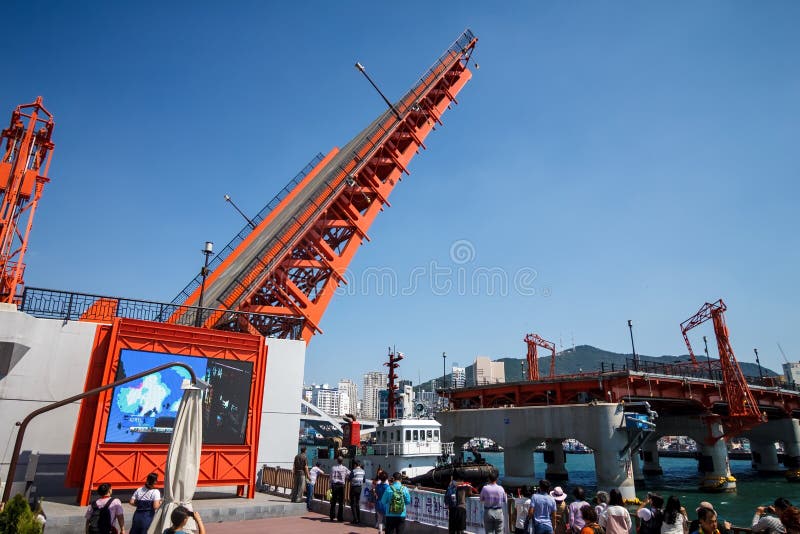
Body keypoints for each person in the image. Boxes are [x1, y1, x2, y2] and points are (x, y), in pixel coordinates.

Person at [329, 456, 350, 522]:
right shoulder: (344, 468)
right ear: (342, 461)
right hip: (341, 485)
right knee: (341, 502)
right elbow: (350, 474)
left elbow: (331, 477)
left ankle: (332, 516)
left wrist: (330, 486)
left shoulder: (333, 468)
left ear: (337, 461)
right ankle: (340, 517)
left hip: (334, 485)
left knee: (333, 501)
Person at [349, 460, 366, 524]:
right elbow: (364, 480)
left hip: (353, 488)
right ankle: (359, 519)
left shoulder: (353, 471)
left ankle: (355, 519)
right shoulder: (363, 471)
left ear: (355, 465)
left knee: (352, 503)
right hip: (360, 488)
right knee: (357, 503)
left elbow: (349, 479)